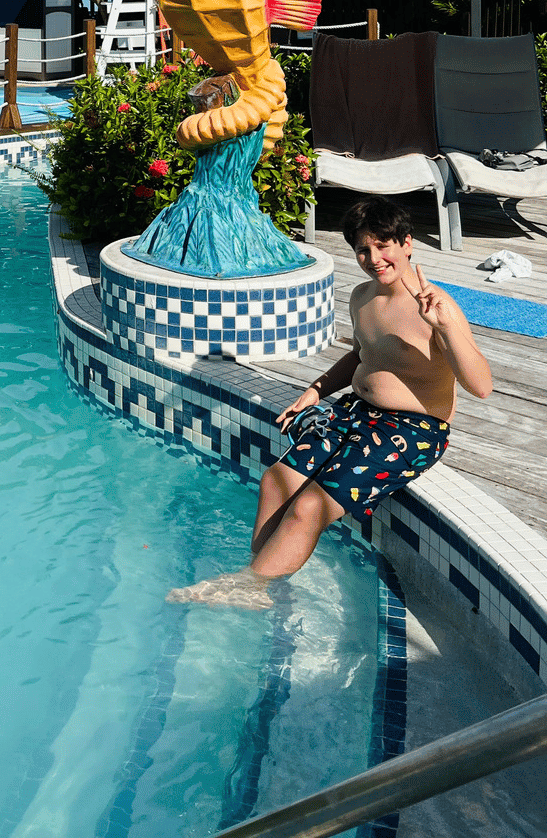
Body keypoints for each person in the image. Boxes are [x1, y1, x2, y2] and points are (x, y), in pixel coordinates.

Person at [168, 196, 492, 609]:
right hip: (356, 413)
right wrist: (316, 390)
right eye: (363, 249)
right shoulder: (362, 296)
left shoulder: (438, 308)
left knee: (308, 506)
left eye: (383, 245)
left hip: (413, 430)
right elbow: (361, 353)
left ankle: (250, 586)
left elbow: (481, 386)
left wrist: (447, 328)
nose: (373, 257)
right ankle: (260, 575)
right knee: (274, 481)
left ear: (407, 243)